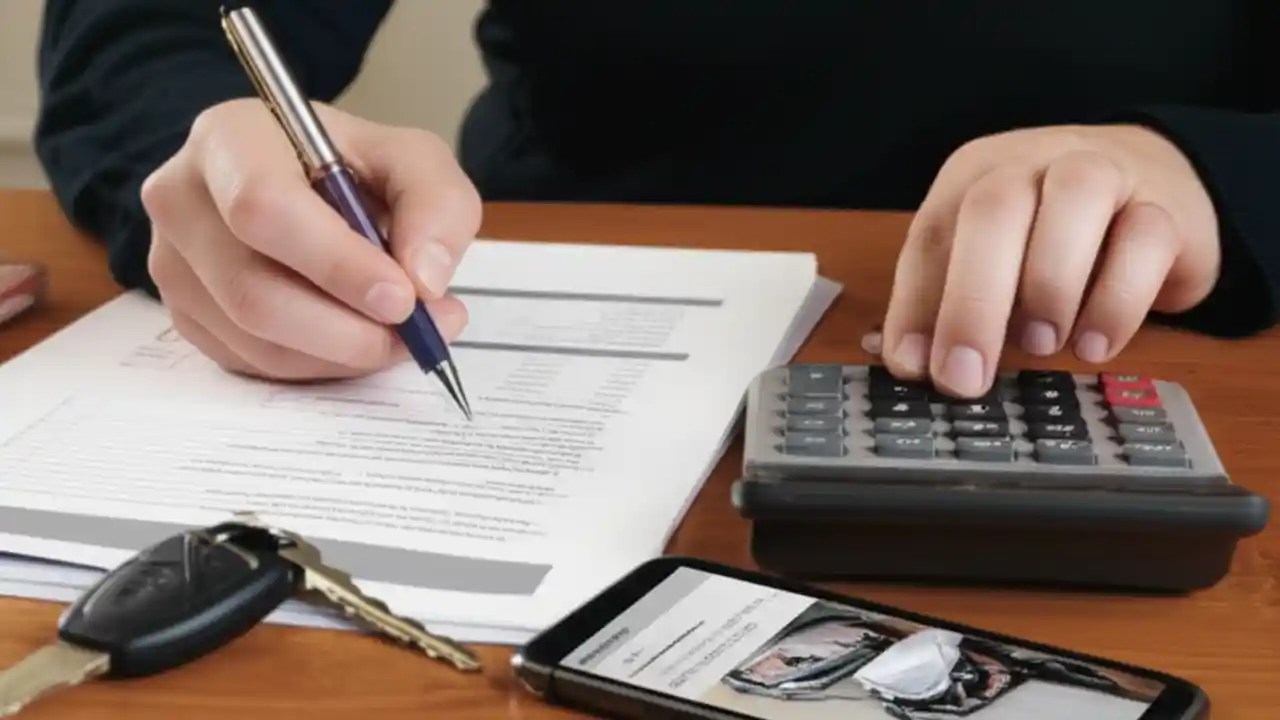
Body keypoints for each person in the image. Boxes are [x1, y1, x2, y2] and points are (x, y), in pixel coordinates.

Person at [33, 2, 1280, 398]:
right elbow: (156, 27)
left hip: (1139, 345)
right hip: (558, 299)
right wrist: (210, 175)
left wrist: (1223, 177)